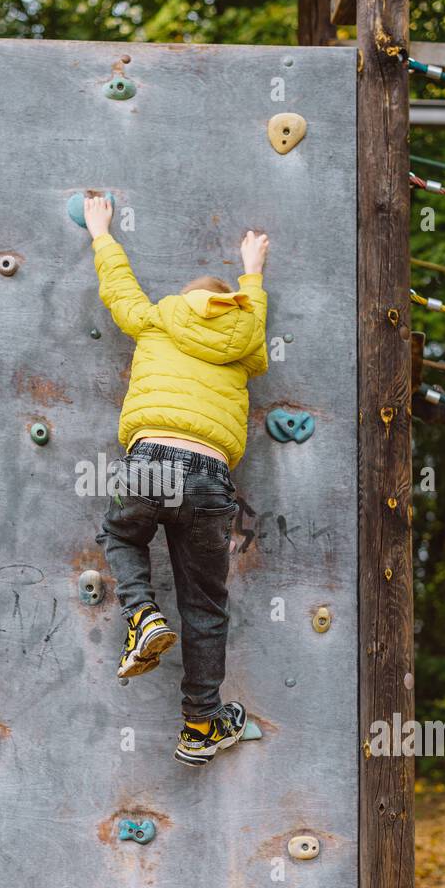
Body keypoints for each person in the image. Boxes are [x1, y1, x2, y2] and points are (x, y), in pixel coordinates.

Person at [84, 195, 269, 766]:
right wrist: (253, 271)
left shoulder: (158, 317)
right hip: (212, 477)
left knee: (121, 535)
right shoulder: (246, 342)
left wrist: (101, 232)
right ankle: (201, 724)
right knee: (206, 605)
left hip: (150, 459)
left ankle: (141, 615)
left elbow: (119, 291)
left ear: (187, 298)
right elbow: (255, 323)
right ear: (230, 304)